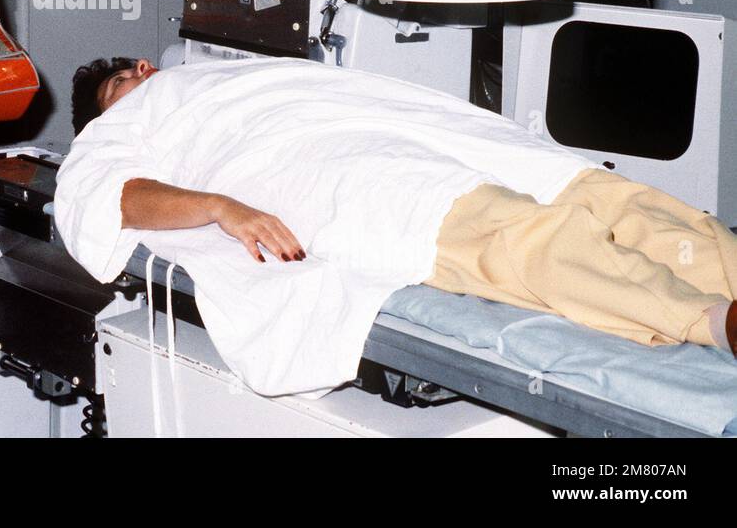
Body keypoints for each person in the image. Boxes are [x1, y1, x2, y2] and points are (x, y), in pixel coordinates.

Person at [57, 55, 737, 394]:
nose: (140, 76)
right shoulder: (126, 127)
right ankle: (708, 320)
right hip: (344, 169)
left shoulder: (217, 71)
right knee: (522, 232)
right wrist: (220, 207)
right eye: (120, 85)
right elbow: (112, 193)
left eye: (132, 68)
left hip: (407, 126)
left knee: (624, 203)